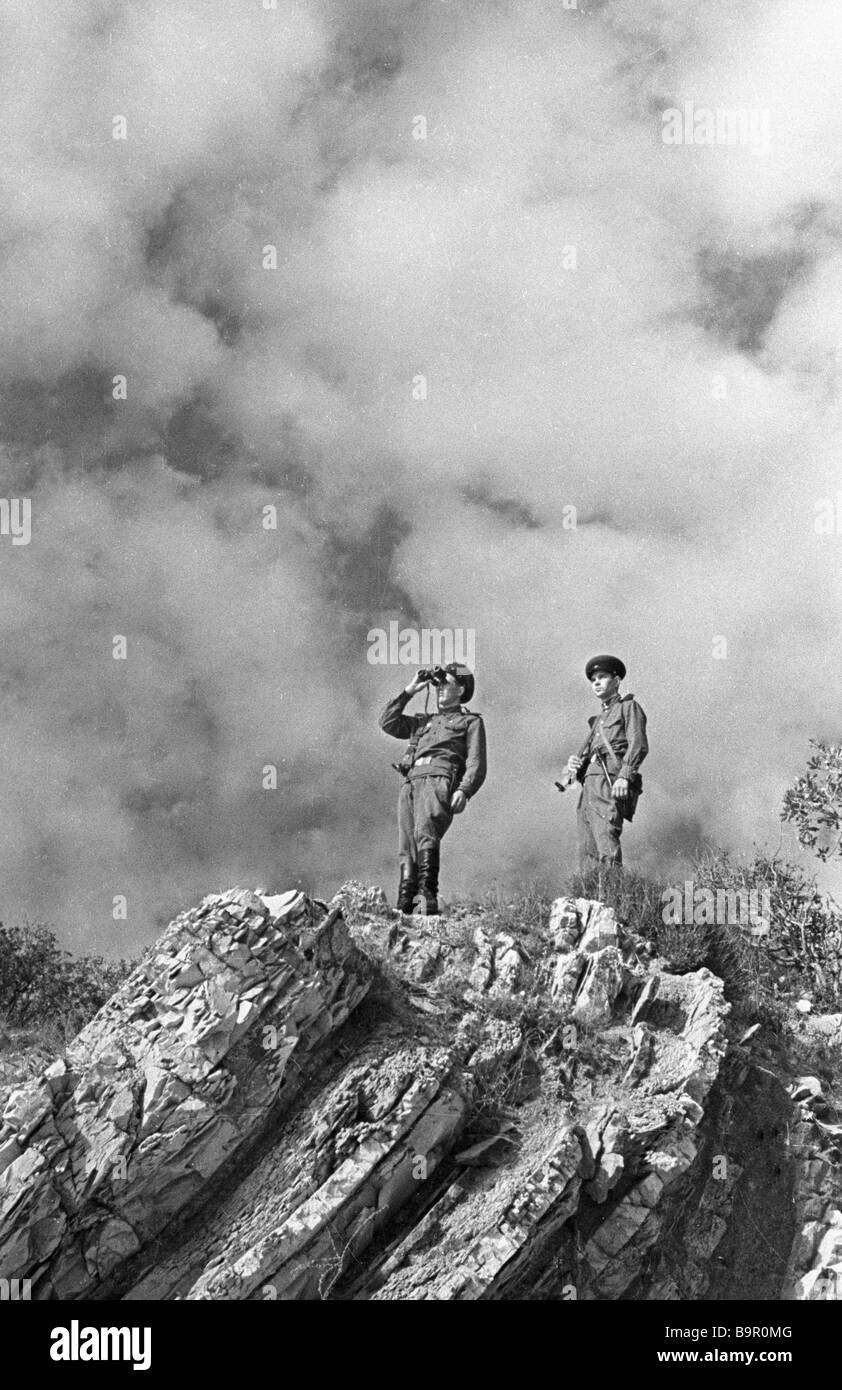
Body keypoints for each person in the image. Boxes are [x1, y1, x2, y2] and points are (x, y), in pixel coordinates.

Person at [379, 664, 486, 915]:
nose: (438, 689)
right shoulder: (423, 722)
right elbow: (387, 722)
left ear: (460, 689)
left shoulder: (469, 722)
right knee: (407, 843)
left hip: (438, 778)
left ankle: (426, 899)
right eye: (437, 684)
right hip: (411, 781)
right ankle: (405, 904)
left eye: (445, 683)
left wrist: (465, 790)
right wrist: (410, 690)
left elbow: (476, 762)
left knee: (426, 832)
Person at [565, 655, 648, 874]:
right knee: (587, 844)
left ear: (617, 680)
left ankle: (612, 896)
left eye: (602, 677)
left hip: (610, 779)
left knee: (605, 836)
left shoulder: (628, 707)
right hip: (590, 784)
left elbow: (638, 743)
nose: (597, 683)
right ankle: (590, 897)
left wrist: (624, 775)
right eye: (593, 680)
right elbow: (595, 756)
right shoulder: (597, 721)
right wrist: (578, 766)